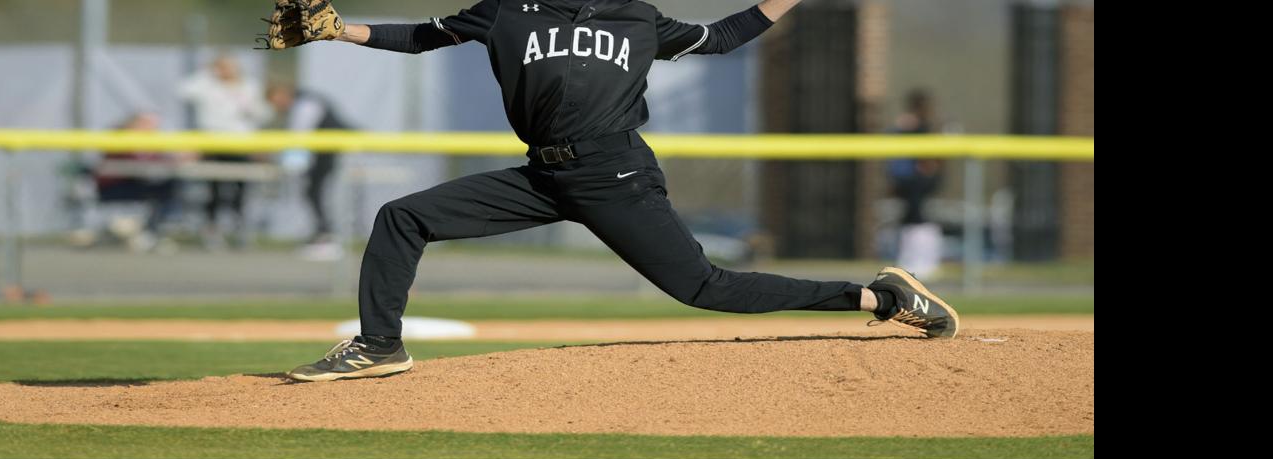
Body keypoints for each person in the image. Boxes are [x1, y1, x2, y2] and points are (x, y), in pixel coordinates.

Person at [265, 0, 960, 383]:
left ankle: (880, 297)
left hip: (615, 172)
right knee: (402, 216)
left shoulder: (635, 17)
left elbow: (721, 36)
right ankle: (380, 345)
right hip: (543, 174)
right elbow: (421, 35)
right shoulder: (506, 12)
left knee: (703, 287)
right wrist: (339, 30)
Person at [178, 56, 272, 250]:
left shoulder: (248, 86)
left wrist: (250, 108)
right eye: (222, 68)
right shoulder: (207, 85)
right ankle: (212, 229)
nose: (227, 72)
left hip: (240, 144)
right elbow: (182, 91)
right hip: (213, 142)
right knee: (214, 188)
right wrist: (208, 73)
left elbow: (263, 113)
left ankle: (240, 228)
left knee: (242, 188)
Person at [267, 83, 354, 259]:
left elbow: (299, 134)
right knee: (313, 193)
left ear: (283, 93)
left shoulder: (306, 103)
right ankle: (323, 234)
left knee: (317, 193)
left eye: (276, 100)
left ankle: (326, 237)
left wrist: (288, 160)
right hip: (325, 152)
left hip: (333, 150)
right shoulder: (304, 103)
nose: (277, 106)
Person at [89, 112, 187, 253]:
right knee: (157, 190)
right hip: (116, 185)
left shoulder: (152, 141)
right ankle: (142, 231)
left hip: (137, 183)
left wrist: (176, 158)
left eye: (154, 126)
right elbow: (134, 160)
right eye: (147, 124)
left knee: (169, 187)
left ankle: (153, 230)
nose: (151, 129)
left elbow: (158, 160)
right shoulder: (118, 137)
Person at [890, 90, 945, 282]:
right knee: (911, 216)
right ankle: (913, 262)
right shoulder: (907, 123)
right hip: (908, 177)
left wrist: (928, 167)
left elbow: (932, 157)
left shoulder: (926, 125)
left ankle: (923, 262)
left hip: (918, 178)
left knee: (918, 216)